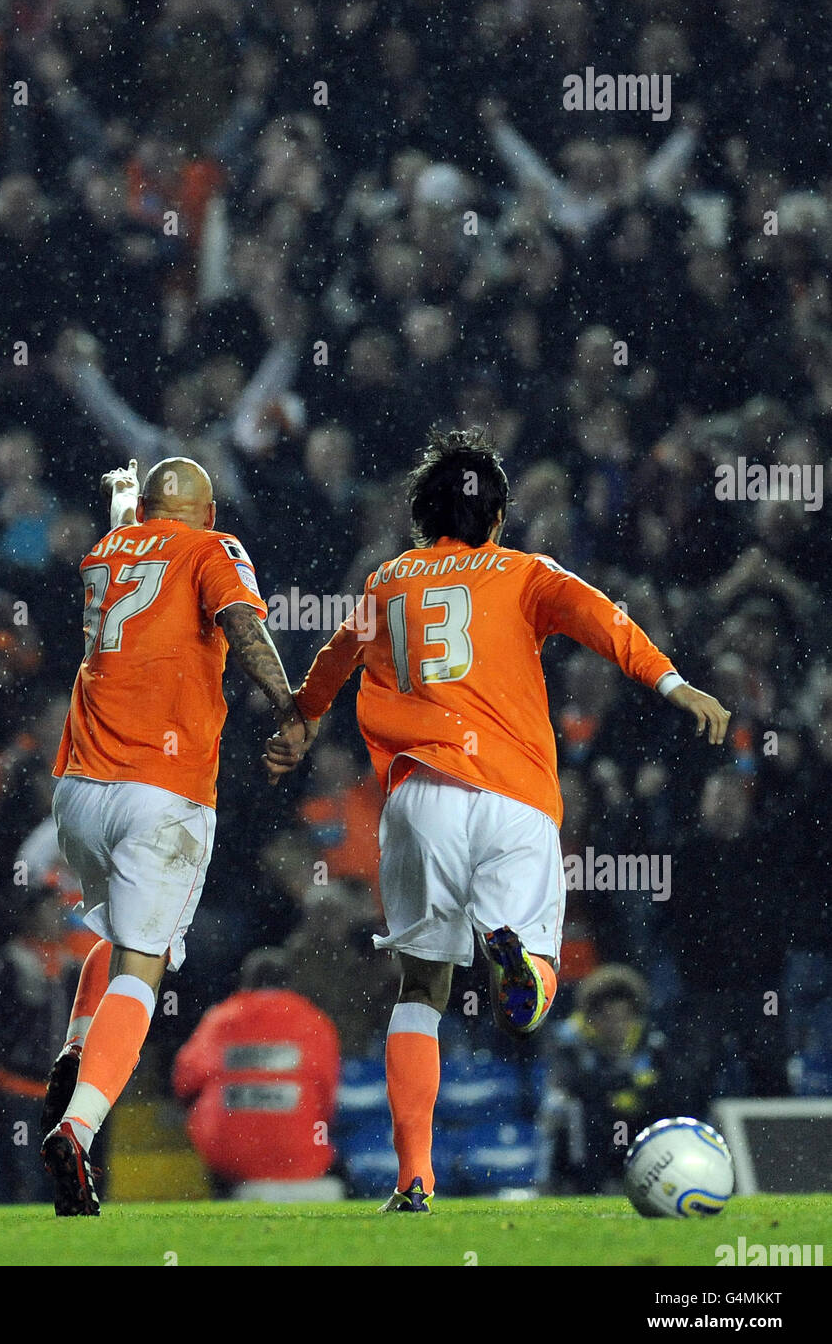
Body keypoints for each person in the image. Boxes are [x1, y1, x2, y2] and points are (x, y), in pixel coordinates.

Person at [266, 427, 730, 1213]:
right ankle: (522, 967)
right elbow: (607, 625)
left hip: (417, 802)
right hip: (513, 795)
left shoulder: (386, 583)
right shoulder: (524, 573)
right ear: (501, 515)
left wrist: (301, 721)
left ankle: (414, 1175)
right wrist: (675, 685)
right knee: (540, 975)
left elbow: (334, 659)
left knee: (420, 989)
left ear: (422, 514)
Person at [40, 457, 309, 1215]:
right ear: (208, 512)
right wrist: (288, 706)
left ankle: (72, 1050)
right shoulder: (210, 549)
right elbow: (242, 624)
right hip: (159, 791)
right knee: (143, 964)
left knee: (111, 933)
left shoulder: (104, 552)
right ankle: (78, 1128)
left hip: (77, 789)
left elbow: (136, 537)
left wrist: (124, 502)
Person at [172, 948, 340, 1194]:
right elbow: (328, 1096)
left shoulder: (221, 1019)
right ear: (289, 981)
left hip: (231, 1157)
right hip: (302, 1154)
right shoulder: (314, 1021)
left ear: (245, 981)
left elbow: (184, 1082)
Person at [539, 965, 674, 1195]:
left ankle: (662, 1178)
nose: (617, 1027)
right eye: (608, 1018)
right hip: (588, 1128)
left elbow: (668, 1086)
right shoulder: (569, 1040)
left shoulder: (651, 1043)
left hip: (634, 1122)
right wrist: (626, 1083)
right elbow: (571, 1083)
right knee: (568, 1108)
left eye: (624, 1018)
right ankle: (581, 1186)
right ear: (591, 1018)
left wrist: (634, 1094)